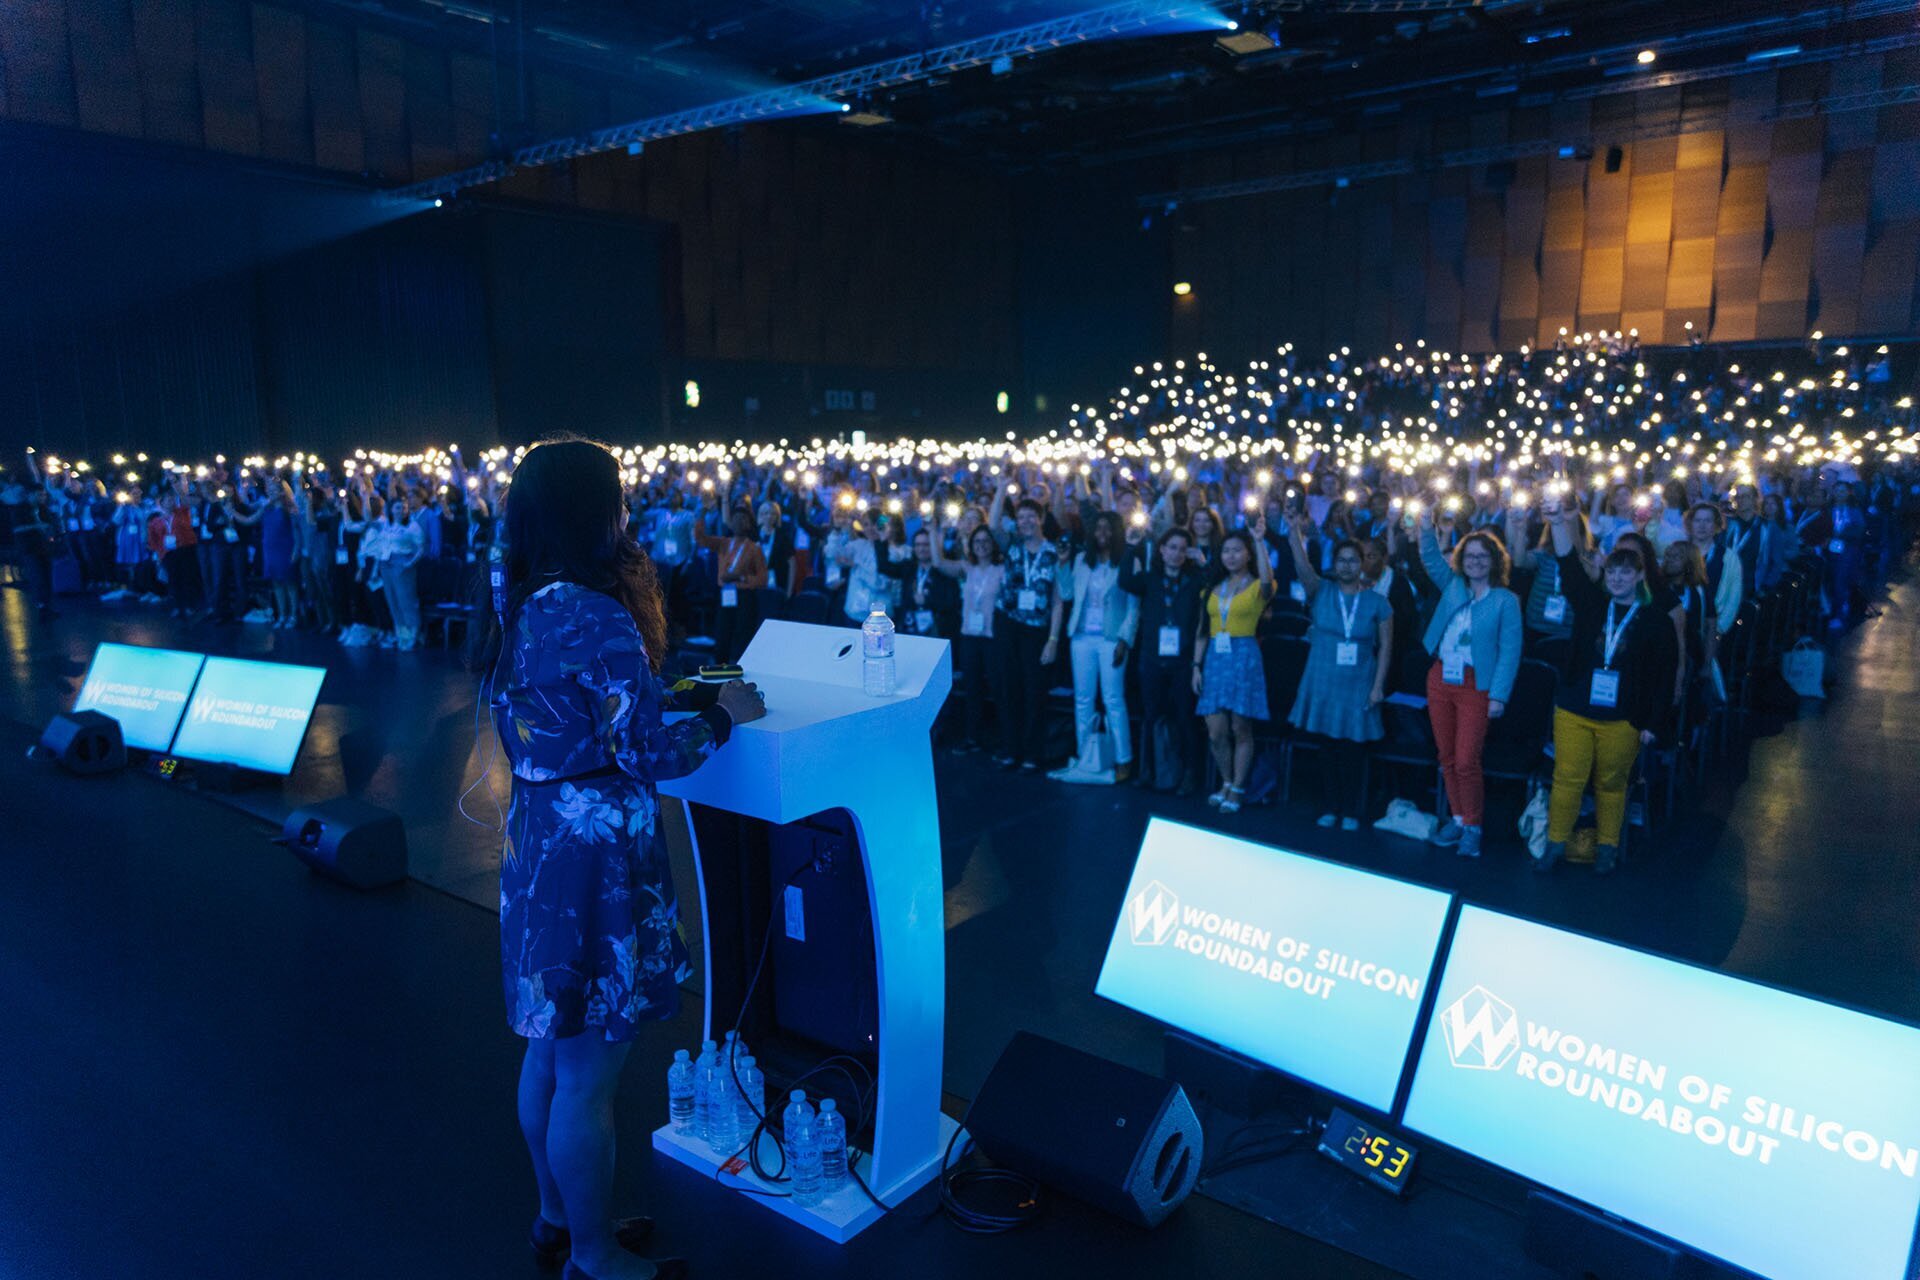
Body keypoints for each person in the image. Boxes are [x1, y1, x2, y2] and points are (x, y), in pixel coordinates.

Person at [482, 438, 762, 1280]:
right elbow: (646, 750)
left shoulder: (524, 594)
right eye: (617, 500)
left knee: (550, 1052)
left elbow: (576, 712)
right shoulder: (592, 611)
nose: (629, 514)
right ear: (588, 512)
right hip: (595, 865)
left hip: (541, 848)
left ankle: (556, 1218)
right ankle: (596, 1256)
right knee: (589, 1080)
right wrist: (723, 717)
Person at [1540, 500, 1678, 875]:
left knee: (1612, 784)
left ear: (1639, 576)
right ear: (1605, 574)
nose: (1617, 578)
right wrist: (1557, 523)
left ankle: (1607, 848)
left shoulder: (1656, 621)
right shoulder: (1592, 605)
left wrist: (1652, 723)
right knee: (1567, 778)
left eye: (1625, 573)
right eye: (1612, 572)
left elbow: (1664, 676)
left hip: (1624, 716)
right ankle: (1553, 844)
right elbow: (1569, 566)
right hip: (1575, 708)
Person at [1414, 513, 1522, 858]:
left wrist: (1499, 696)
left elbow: (1510, 651)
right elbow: (1430, 556)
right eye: (1470, 555)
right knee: (1445, 756)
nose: (1475, 562)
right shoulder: (1453, 585)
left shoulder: (1506, 600)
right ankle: (1458, 819)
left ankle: (1473, 826)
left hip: (1478, 685)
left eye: (1482, 556)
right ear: (1461, 559)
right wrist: (1423, 518)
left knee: (1466, 760)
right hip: (1441, 677)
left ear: (1494, 561)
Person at [1286, 521, 1392, 829]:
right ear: (1334, 564)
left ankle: (1352, 810)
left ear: (1363, 565)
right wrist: (1295, 537)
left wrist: (1377, 688)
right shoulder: (1322, 591)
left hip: (1359, 682)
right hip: (1323, 679)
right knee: (1327, 747)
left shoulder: (1379, 603)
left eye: (1353, 560)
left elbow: (1385, 648)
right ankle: (1331, 806)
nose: (1347, 565)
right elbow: (1303, 568)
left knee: (1352, 750)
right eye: (1342, 560)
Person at [1195, 521, 1276, 814]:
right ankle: (1226, 780)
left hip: (1244, 655)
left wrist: (1258, 541)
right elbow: (1202, 630)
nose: (1230, 556)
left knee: (1241, 726)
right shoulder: (1212, 588)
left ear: (1247, 555)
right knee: (1215, 729)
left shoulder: (1257, 586)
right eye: (1226, 551)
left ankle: (1238, 786)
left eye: (1237, 550)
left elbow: (1268, 581)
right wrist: (1196, 666)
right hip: (1215, 657)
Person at [1054, 511, 1139, 783]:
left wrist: (1125, 640)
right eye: (1097, 527)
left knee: (1114, 699)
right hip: (1081, 637)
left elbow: (1134, 608)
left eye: (1108, 527)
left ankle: (1123, 759)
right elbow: (1067, 594)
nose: (1102, 532)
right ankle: (1085, 755)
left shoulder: (1127, 561)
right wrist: (1063, 565)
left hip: (1111, 639)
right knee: (1083, 699)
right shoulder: (1081, 560)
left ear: (1117, 532)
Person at [1122, 525, 1205, 791]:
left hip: (1182, 660)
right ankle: (1148, 771)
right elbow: (1124, 581)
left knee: (1184, 718)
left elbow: (1212, 585)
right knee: (1150, 716)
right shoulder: (1149, 579)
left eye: (1182, 549)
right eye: (1172, 548)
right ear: (1161, 550)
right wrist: (1130, 547)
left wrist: (1203, 562)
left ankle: (1189, 774)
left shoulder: (1194, 582)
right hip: (1151, 658)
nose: (1177, 554)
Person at [993, 497, 1064, 772]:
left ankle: (1032, 754)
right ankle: (1011, 749)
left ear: (1041, 519)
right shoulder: (1011, 545)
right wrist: (1000, 488)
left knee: (1034, 693)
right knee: (1009, 689)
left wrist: (1053, 640)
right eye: (1021, 517)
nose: (1025, 522)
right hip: (1008, 624)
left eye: (1030, 517)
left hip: (1037, 630)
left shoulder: (1054, 552)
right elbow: (993, 523)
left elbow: (1058, 600)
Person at [930, 521, 1004, 752]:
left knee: (998, 688)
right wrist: (934, 533)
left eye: (985, 541)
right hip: (969, 636)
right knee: (972, 689)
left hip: (992, 637)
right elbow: (938, 562)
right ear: (971, 545)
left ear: (993, 545)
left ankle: (1002, 740)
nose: (981, 545)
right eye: (977, 541)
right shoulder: (967, 567)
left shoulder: (1002, 569)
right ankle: (972, 739)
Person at [694, 504, 769, 661]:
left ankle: (739, 669)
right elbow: (700, 539)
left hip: (745, 596)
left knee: (741, 635)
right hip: (725, 595)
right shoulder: (724, 543)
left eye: (743, 519)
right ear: (731, 523)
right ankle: (719, 669)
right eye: (736, 519)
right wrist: (702, 514)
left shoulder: (755, 549)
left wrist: (740, 577)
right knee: (722, 633)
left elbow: (763, 579)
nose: (739, 522)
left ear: (749, 524)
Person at [229, 479, 302, 628]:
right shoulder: (265, 507)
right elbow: (248, 520)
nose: (271, 491)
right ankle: (282, 615)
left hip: (285, 548)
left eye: (275, 489)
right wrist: (231, 512)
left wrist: (296, 550)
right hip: (269, 549)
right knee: (276, 583)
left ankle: (293, 616)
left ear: (282, 491)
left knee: (289, 583)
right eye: (270, 489)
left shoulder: (289, 508)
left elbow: (297, 530)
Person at [876, 525, 959, 639]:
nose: (921, 549)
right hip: (910, 628)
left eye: (926, 545)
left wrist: (927, 600)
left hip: (937, 631)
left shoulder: (944, 570)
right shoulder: (909, 567)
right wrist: (883, 540)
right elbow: (884, 567)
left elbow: (951, 602)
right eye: (918, 545)